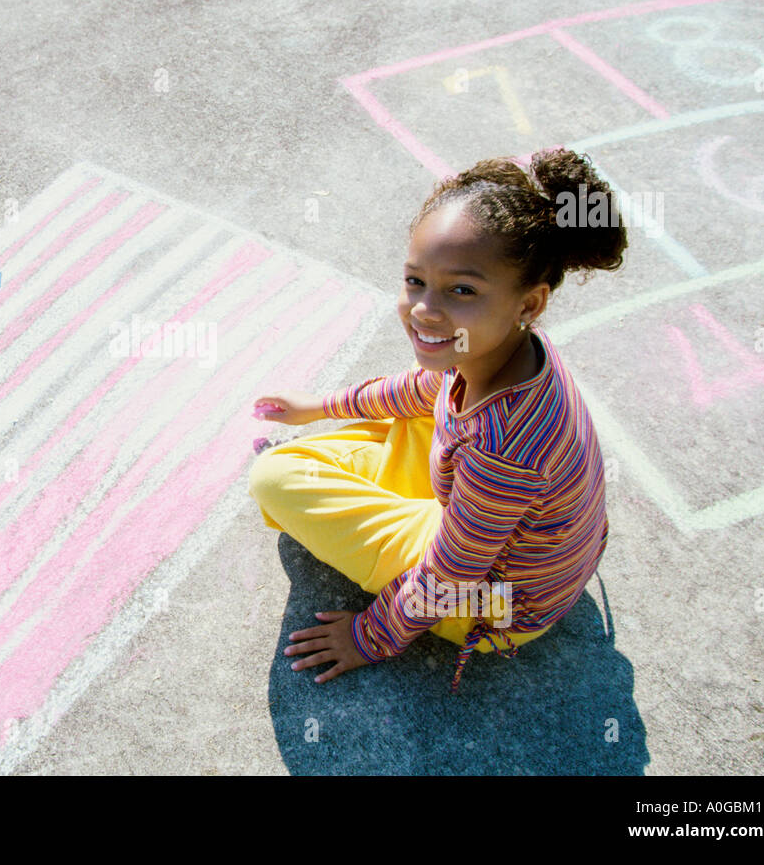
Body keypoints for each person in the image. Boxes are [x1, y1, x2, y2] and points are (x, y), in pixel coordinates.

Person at [249, 148, 627, 692]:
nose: (424, 308)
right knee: (405, 412)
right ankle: (385, 484)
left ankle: (372, 505)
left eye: (462, 290)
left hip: (498, 598)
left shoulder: (503, 451)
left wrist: (369, 637)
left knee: (274, 480)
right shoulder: (506, 348)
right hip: (493, 522)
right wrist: (320, 405)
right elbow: (426, 389)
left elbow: (451, 576)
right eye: (414, 280)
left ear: (530, 303)